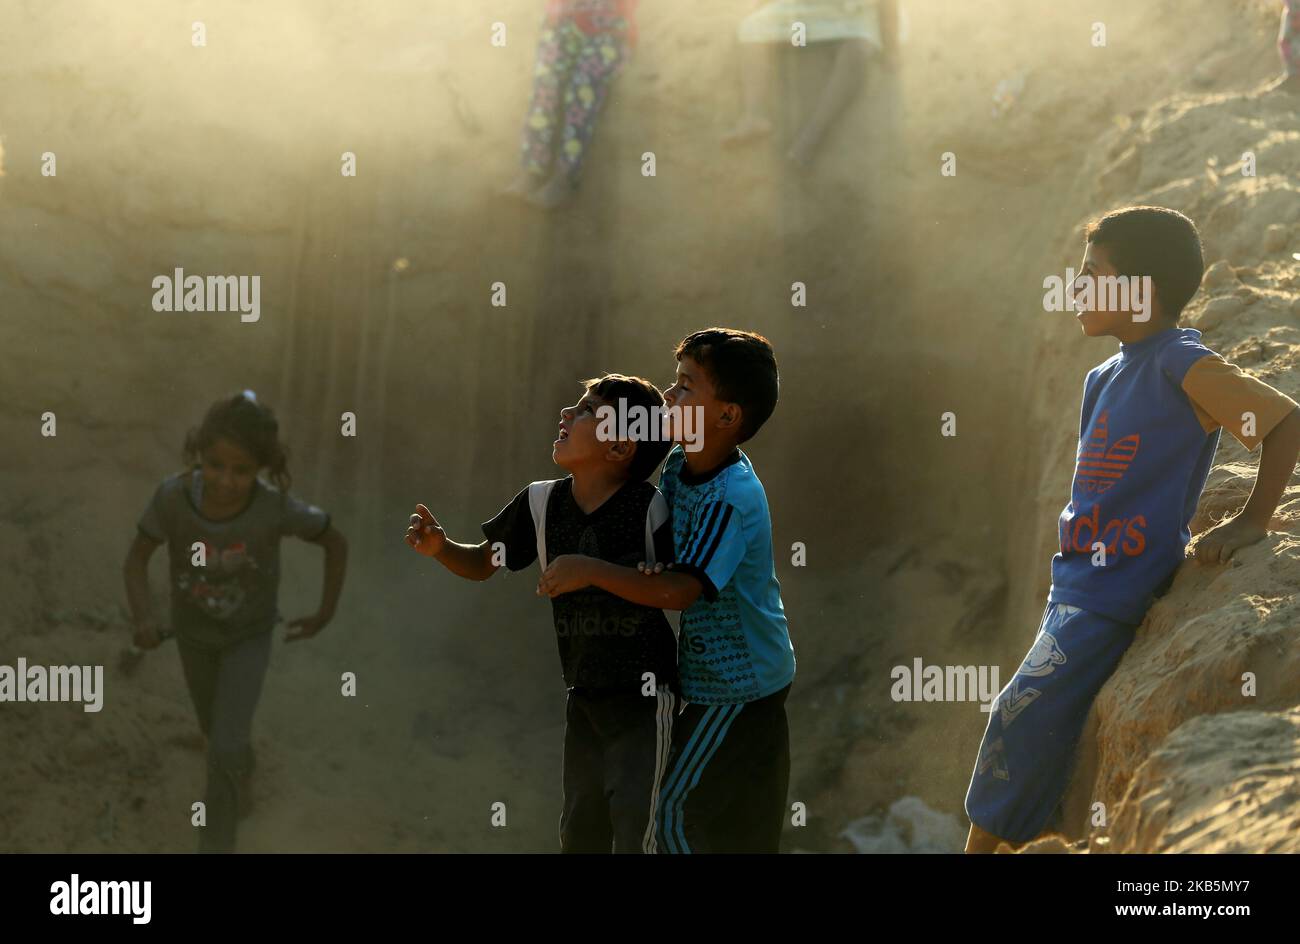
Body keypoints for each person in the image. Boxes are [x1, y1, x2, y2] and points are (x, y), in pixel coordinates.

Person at [964, 207, 1300, 852]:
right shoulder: (1103, 374)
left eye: (1092, 274)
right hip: (1078, 583)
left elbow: (1282, 422)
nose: (1077, 287)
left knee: (1016, 712)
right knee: (1041, 721)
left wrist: (1253, 519)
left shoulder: (1181, 363)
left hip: (1117, 591)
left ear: (1139, 290)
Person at [537, 329, 796, 853]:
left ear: (726, 417)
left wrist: (591, 569)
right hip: (710, 681)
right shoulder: (680, 465)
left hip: (737, 687)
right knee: (735, 826)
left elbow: (680, 592)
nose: (669, 397)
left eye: (685, 387)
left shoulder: (732, 497)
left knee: (673, 811)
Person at [406, 373, 677, 852]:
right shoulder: (540, 502)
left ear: (619, 449)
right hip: (584, 697)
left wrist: (592, 570)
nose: (566, 414)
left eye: (588, 410)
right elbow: (485, 563)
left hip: (646, 699)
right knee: (580, 831)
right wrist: (442, 548)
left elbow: (674, 589)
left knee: (639, 829)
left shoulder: (649, 508)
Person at [123, 390, 348, 853]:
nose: (226, 480)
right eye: (215, 465)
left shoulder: (273, 508)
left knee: (223, 745)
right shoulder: (173, 498)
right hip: (192, 636)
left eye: (242, 470)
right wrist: (145, 617)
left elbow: (335, 541)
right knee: (215, 730)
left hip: (248, 636)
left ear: (262, 468)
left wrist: (325, 611)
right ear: (198, 456)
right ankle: (240, 771)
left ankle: (216, 843)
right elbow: (136, 561)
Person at [722, 0, 899, 167]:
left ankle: (811, 137)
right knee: (754, 28)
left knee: (857, 52)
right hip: (807, 13)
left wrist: (891, 46)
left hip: (854, 17)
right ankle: (754, 116)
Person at [505, 1, 641, 209]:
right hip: (564, 24)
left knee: (582, 90)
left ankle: (565, 177)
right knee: (545, 85)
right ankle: (532, 168)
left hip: (609, 31)